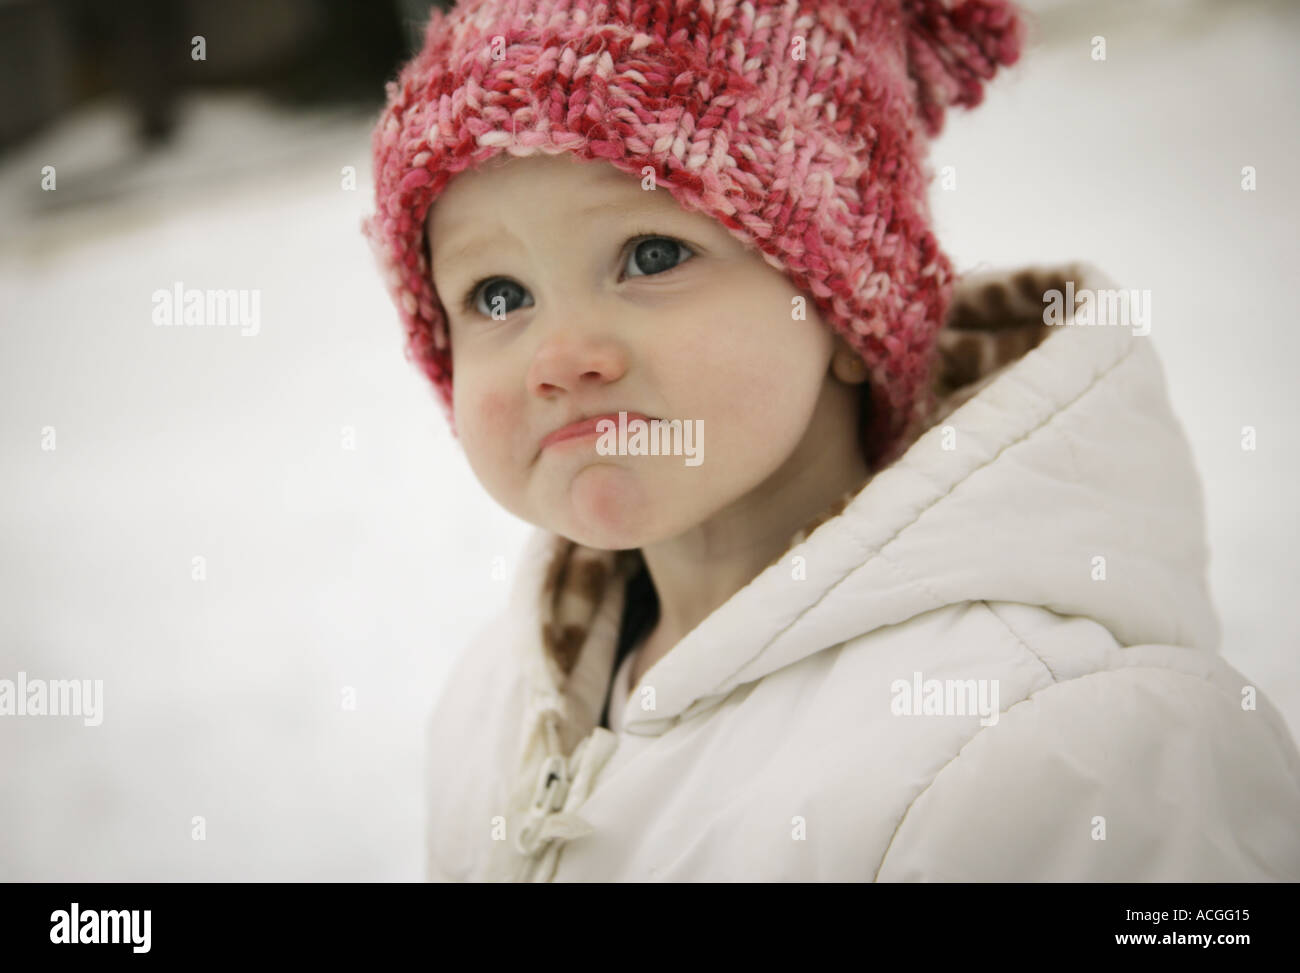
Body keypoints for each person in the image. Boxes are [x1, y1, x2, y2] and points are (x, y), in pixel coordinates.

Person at [363, 0, 1300, 882]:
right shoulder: (501, 701)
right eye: (498, 296)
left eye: (652, 255)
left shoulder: (1040, 749)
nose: (560, 357)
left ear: (849, 315)